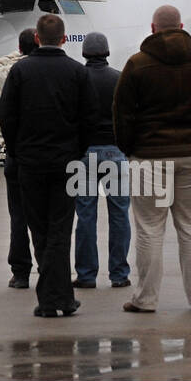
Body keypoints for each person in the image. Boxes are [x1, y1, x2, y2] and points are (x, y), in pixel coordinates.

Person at [114, 5, 191, 313]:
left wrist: (130, 148)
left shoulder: (137, 65)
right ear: (182, 25)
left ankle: (145, 299)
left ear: (153, 28)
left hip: (148, 157)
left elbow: (122, 113)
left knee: (150, 229)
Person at [0, 14, 96, 317]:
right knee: (60, 229)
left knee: (39, 229)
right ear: (64, 39)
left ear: (37, 39)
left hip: (30, 163)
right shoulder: (77, 73)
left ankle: (52, 298)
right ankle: (59, 298)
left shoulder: (20, 72)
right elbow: (89, 118)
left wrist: (17, 151)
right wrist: (76, 151)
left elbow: (7, 115)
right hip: (66, 163)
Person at [72, 32, 131, 290]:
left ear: (84, 52)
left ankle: (86, 275)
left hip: (83, 154)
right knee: (119, 214)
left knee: (85, 214)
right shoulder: (119, 79)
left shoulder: (77, 79)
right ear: (106, 52)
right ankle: (118, 274)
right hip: (115, 152)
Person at [0, 30, 38, 289]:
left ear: (20, 48)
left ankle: (20, 272)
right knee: (48, 218)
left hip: (17, 154)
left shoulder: (7, 74)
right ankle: (51, 267)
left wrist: (18, 53)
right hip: (47, 155)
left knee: (18, 217)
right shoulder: (56, 71)